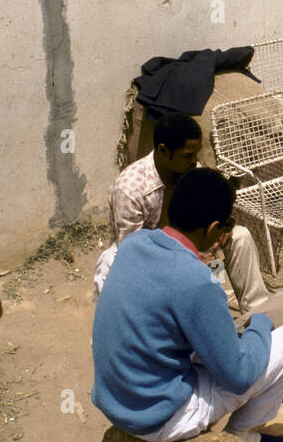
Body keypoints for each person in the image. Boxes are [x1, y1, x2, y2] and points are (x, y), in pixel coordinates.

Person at [91, 167, 283, 442]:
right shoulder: (196, 280)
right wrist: (260, 323)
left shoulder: (133, 244)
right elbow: (239, 377)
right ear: (213, 229)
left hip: (117, 402)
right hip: (158, 419)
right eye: (227, 226)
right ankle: (240, 441)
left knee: (206, 344)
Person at [93, 112, 267, 313]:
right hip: (150, 261)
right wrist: (189, 258)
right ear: (164, 150)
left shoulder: (190, 169)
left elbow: (211, 208)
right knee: (200, 279)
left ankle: (257, 313)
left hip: (190, 243)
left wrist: (221, 225)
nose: (195, 161)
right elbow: (134, 253)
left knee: (240, 237)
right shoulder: (130, 189)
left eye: (197, 154)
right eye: (188, 156)